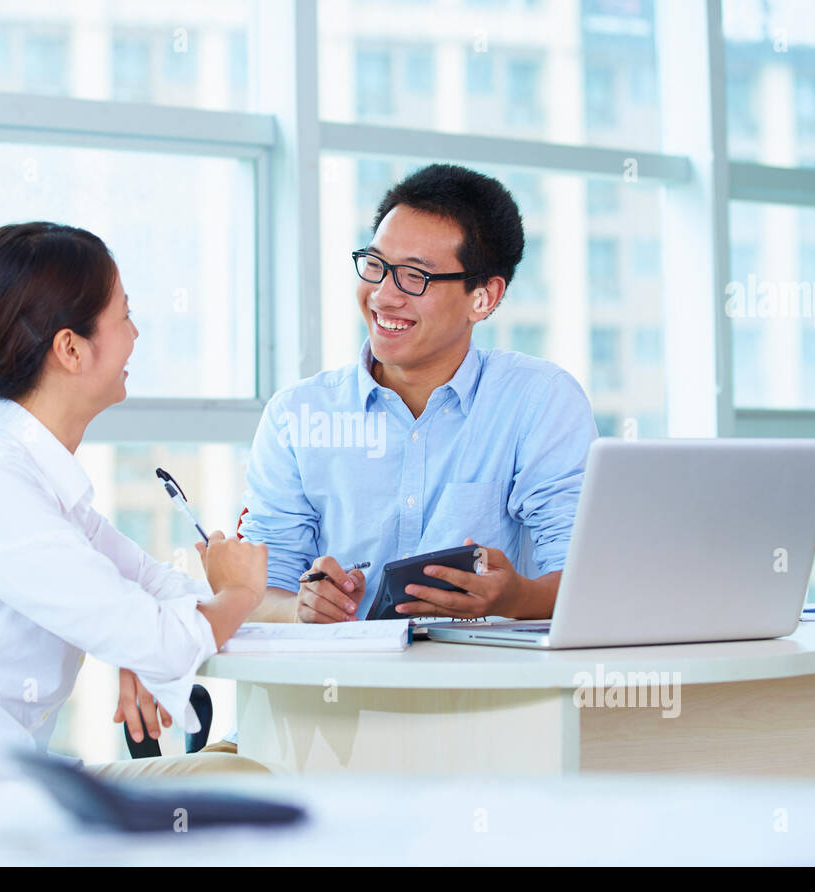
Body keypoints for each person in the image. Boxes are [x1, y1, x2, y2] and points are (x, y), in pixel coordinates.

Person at [0, 221, 270, 785]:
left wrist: (150, 636)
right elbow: (163, 638)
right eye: (124, 315)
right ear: (70, 348)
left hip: (0, 797)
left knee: (240, 772)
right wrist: (237, 592)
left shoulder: (34, 480)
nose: (136, 334)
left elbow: (156, 593)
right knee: (245, 781)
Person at [242, 164, 597, 624]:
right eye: (375, 265)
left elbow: (584, 578)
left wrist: (516, 598)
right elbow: (253, 593)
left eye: (414, 276)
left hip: (485, 687)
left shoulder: (539, 401)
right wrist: (300, 607)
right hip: (336, 685)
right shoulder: (297, 414)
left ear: (483, 297)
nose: (384, 295)